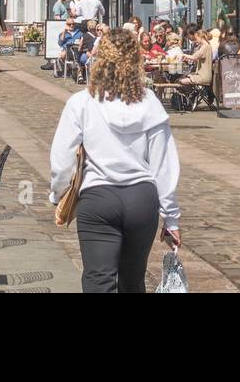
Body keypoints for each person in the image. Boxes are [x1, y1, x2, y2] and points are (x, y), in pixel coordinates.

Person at [49, 28, 181, 293]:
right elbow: (164, 163)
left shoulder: (82, 103)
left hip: (98, 199)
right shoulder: (150, 103)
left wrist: (58, 193)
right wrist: (171, 218)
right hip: (142, 198)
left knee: (99, 280)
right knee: (132, 282)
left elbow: (62, 158)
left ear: (100, 59)